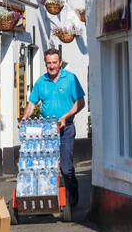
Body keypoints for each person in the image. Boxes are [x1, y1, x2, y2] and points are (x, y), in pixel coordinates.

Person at [21, 48, 85, 212]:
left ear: (60, 62)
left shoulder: (70, 79)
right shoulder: (41, 82)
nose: (51, 66)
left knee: (66, 168)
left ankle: (72, 197)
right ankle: (47, 200)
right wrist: (24, 118)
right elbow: (32, 104)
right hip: (46, 130)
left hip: (66, 129)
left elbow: (80, 102)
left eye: (54, 62)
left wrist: (65, 116)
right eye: (48, 63)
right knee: (45, 168)